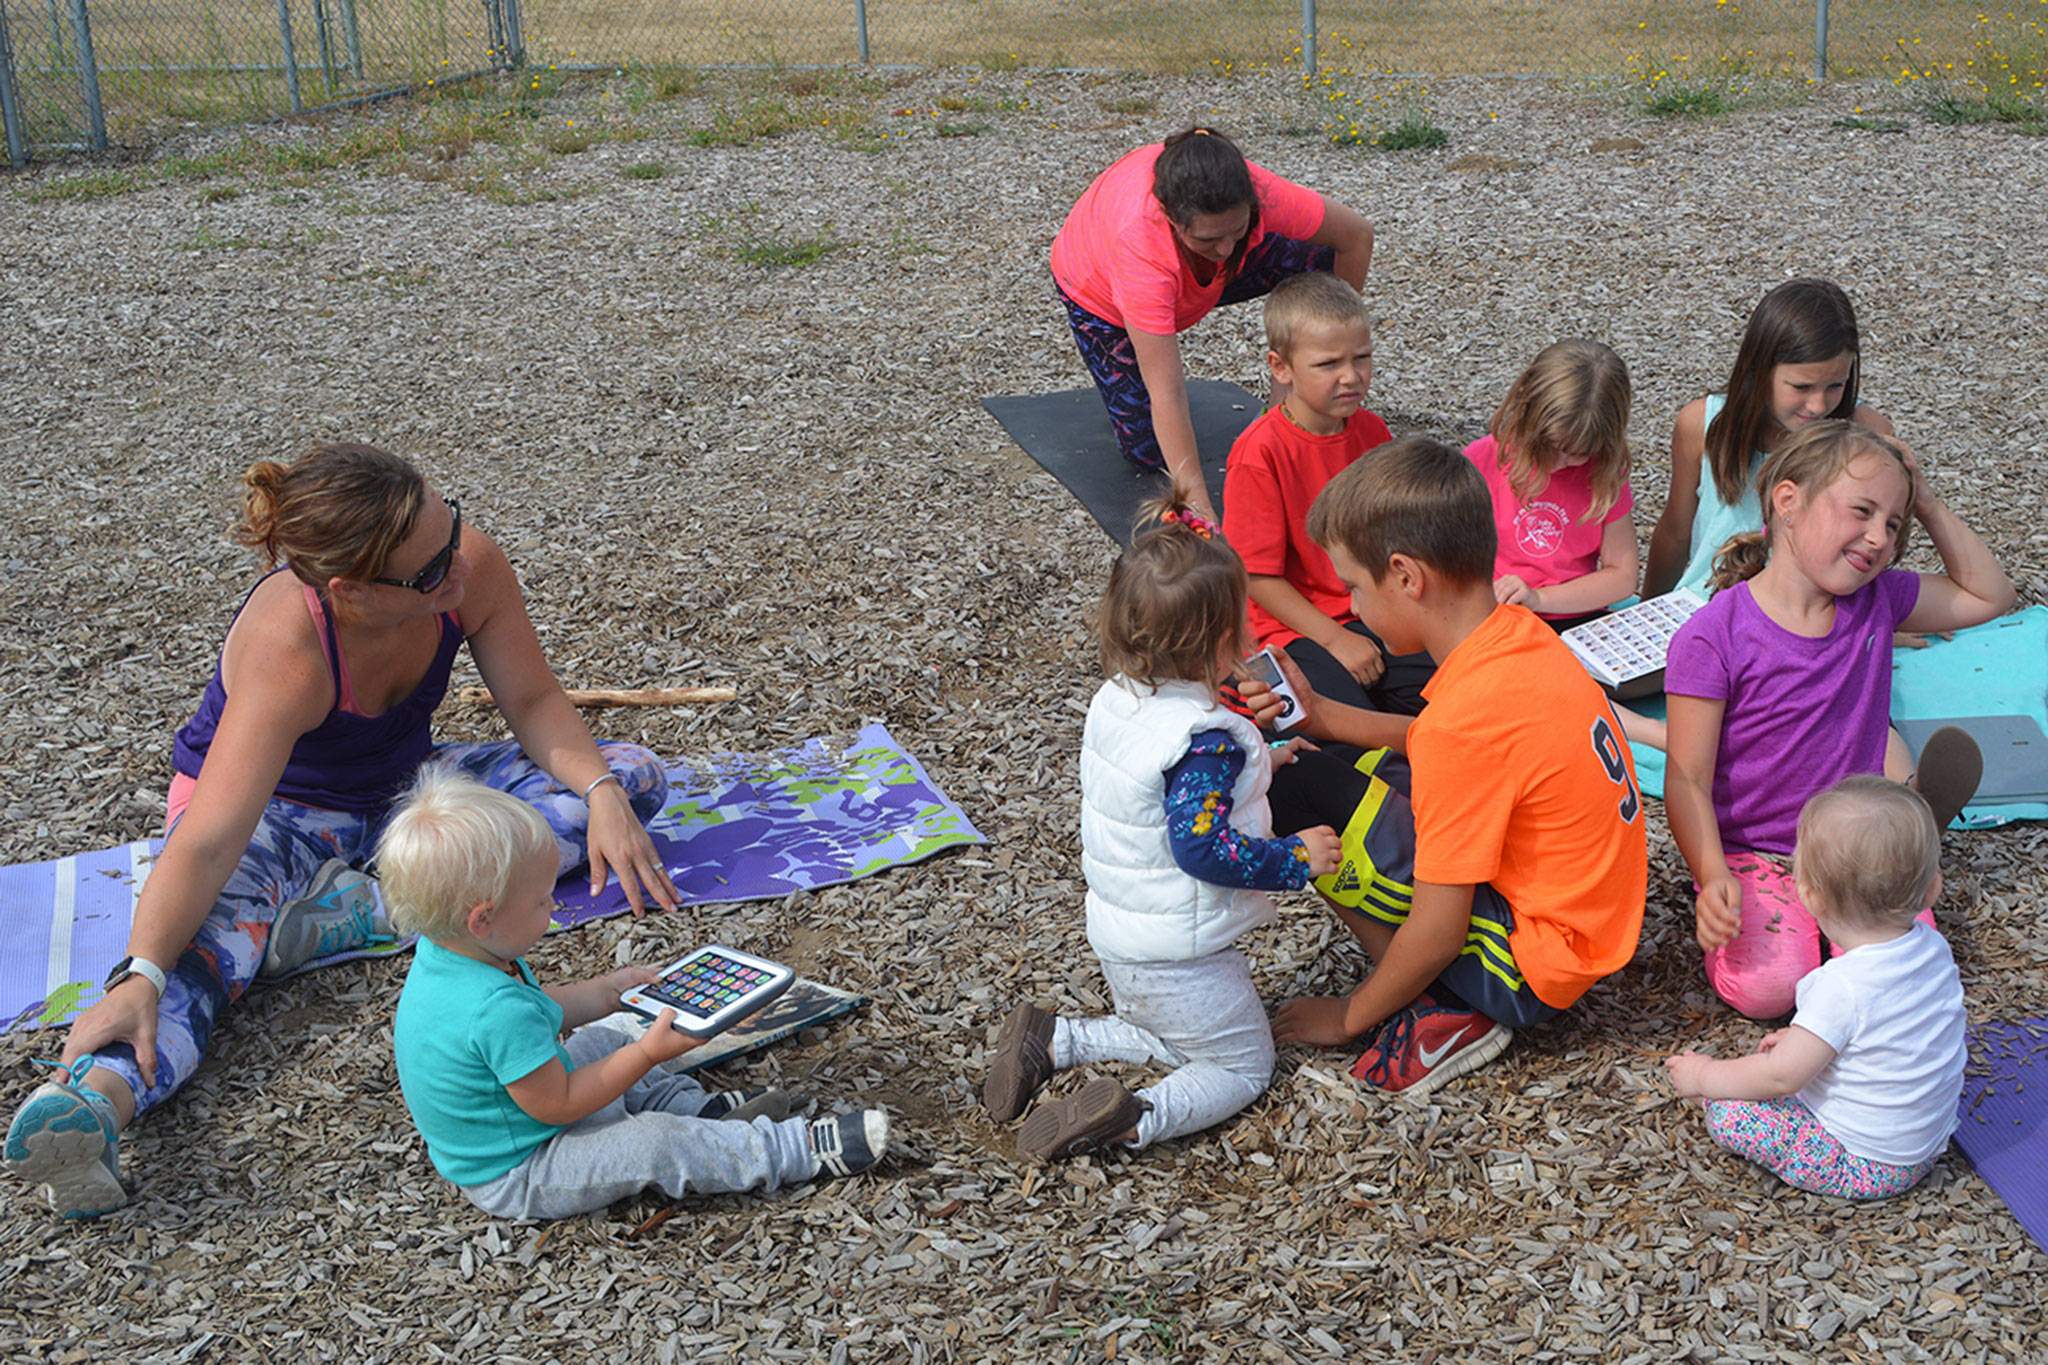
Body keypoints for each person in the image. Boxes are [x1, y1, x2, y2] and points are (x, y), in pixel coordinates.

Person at [5, 443, 683, 1219]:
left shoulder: (464, 563)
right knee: (204, 954)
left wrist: (598, 792)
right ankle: (98, 1099)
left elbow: (532, 700)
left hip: (401, 792)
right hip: (278, 812)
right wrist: (141, 973)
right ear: (349, 590)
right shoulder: (288, 644)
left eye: (451, 530)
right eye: (428, 573)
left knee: (627, 777)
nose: (455, 569)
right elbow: (211, 837)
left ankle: (349, 914)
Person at [1261, 437, 1649, 1099]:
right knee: (1368, 764)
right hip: (1589, 923)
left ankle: (1438, 1003)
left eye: (1354, 584)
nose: (1352, 606)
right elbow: (1446, 741)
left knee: (1290, 790)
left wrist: (1348, 1014)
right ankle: (1431, 985)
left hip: (1532, 968)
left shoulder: (1463, 722)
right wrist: (1323, 716)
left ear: (1408, 576)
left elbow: (1439, 928)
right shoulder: (1521, 636)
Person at [981, 502, 1341, 1160]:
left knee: (1171, 1032)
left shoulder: (1121, 698)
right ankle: (1129, 1119)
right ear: (1221, 639)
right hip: (1184, 952)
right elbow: (1203, 845)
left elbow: (1162, 793)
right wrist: (1295, 858)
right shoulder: (1203, 744)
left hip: (1125, 936)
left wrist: (1262, 762)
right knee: (1239, 1064)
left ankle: (1055, 1040)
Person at [378, 766, 886, 1218]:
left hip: (527, 1116)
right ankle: (794, 1151)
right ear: (483, 918)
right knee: (652, 1144)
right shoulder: (490, 1009)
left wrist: (606, 994)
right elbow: (561, 1102)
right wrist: (646, 1054)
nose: (552, 905)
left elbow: (538, 1013)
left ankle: (698, 1113)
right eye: (539, 900)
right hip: (522, 1168)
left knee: (604, 1039)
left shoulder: (452, 955)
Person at [1664, 421, 2013, 1021]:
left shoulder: (1880, 600)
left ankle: (1900, 836)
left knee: (1906, 978)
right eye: (1862, 511)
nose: (1878, 537)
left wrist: (1924, 501)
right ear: (1788, 501)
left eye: (1893, 523)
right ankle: (1889, 853)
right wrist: (1712, 871)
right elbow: (1688, 777)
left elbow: (1990, 596)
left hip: (1855, 839)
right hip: (1758, 851)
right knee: (1770, 989)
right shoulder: (1713, 636)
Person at [1051, 126, 1375, 521]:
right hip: (1099, 298)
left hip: (1191, 273)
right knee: (1147, 451)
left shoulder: (1254, 193)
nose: (1224, 250)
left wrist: (1331, 348)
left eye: (1237, 231)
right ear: (1172, 219)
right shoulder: (1140, 250)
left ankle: (1287, 407)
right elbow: (1166, 391)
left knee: (1320, 256)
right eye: (1208, 240)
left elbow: (1356, 235)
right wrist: (1199, 509)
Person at [1666, 777, 1963, 1200]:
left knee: (1732, 1116)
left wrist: (1705, 1076)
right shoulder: (1932, 947)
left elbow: (1781, 1076)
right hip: (1928, 1142)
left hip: (1866, 1163)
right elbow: (1898, 1027)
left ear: (1808, 898)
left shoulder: (1841, 986)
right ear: (1932, 889)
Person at [1221, 271, 1430, 728]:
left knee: (1458, 689)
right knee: (1335, 729)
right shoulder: (1260, 453)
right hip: (1297, 630)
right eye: (1328, 364)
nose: (1351, 377)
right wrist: (1336, 639)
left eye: (1362, 358)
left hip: (1374, 613)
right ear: (1281, 367)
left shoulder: (1373, 431)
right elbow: (1257, 577)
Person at [1464, 339, 1663, 750]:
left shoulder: (1605, 471)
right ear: (1525, 406)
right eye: (1552, 447)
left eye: (1578, 455)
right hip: (1503, 620)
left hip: (1575, 619)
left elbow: (1622, 577)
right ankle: (1650, 734)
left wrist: (1541, 597)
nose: (1561, 463)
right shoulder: (1482, 460)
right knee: (1527, 677)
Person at [1644, 277, 1894, 599]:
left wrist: (1886, 615)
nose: (1818, 406)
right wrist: (1643, 610)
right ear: (1759, 372)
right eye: (1801, 387)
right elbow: (1675, 534)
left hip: (1808, 625)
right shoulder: (1701, 425)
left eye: (1835, 385)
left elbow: (1875, 545)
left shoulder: (1867, 433)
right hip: (1705, 611)